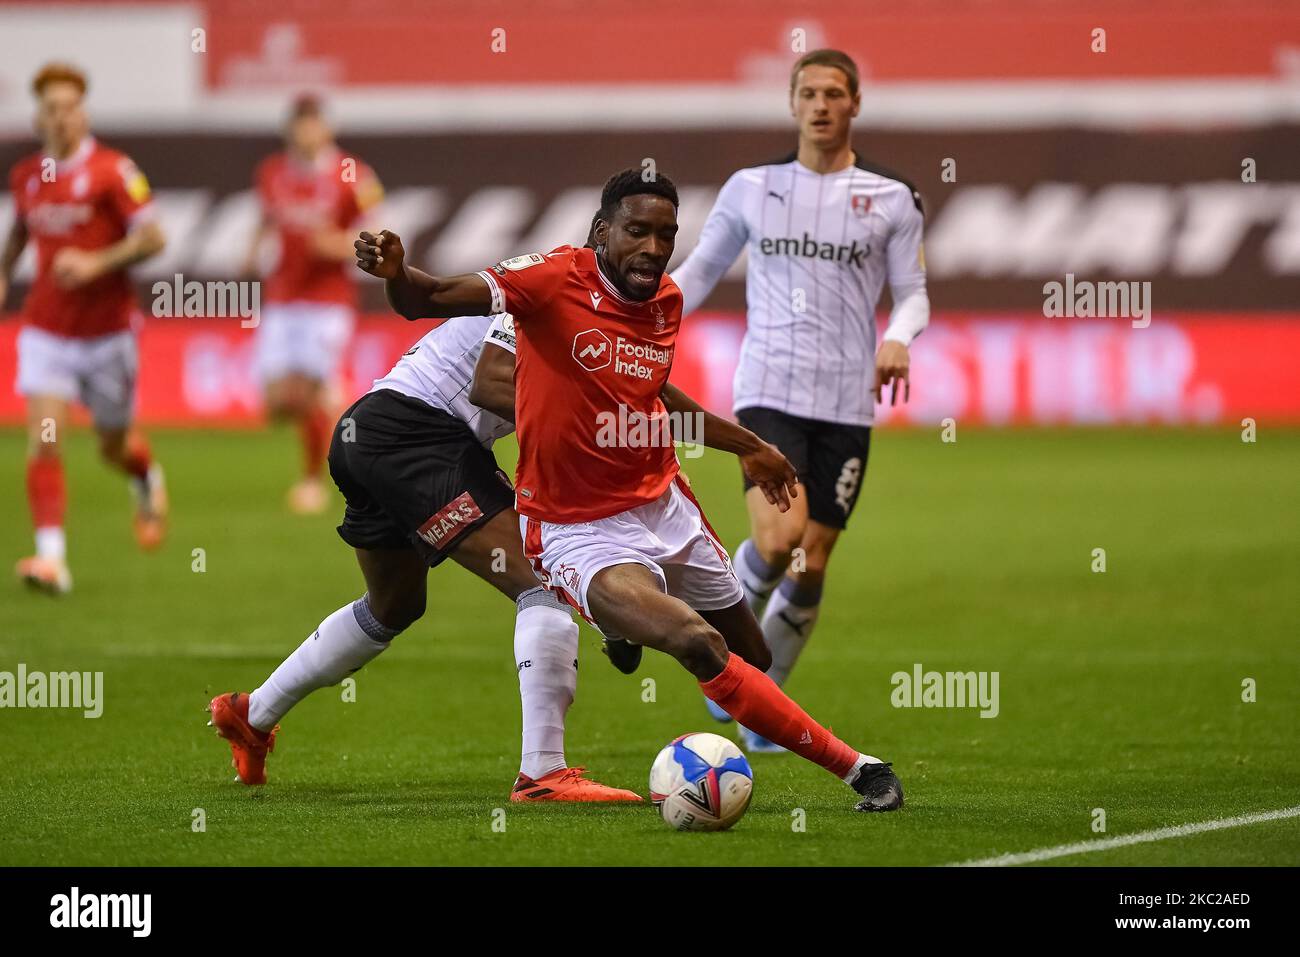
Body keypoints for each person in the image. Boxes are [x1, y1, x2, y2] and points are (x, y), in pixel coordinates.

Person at [355, 167, 905, 812]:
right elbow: (431, 296)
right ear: (602, 233)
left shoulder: (663, 303)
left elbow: (653, 396)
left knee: (752, 658)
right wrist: (397, 273)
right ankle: (861, 769)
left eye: (665, 235)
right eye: (637, 232)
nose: (651, 248)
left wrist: (748, 445)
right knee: (698, 644)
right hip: (575, 527)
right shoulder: (550, 280)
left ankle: (629, 626)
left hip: (665, 506)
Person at [208, 308, 640, 801]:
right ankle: (543, 774)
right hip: (416, 434)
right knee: (542, 579)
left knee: (393, 606)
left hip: (365, 432)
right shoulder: (561, 302)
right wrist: (611, 617)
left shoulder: (578, 309)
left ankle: (253, 713)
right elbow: (496, 393)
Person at [670, 49, 931, 750]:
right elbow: (698, 271)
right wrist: (643, 326)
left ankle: (763, 709)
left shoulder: (891, 199)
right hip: (769, 390)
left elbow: (913, 295)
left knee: (811, 561)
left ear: (855, 104)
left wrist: (899, 337)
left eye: (834, 93)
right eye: (808, 93)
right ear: (791, 105)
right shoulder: (752, 188)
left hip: (847, 402)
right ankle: (716, 647)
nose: (821, 105)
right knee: (778, 538)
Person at [3, 62, 168, 595]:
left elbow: (154, 238)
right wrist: (4, 273)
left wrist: (97, 263)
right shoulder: (26, 175)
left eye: (69, 107)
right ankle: (52, 559)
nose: (60, 117)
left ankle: (144, 476)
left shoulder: (112, 171)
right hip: (47, 331)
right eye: (51, 108)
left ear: (83, 111)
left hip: (107, 334)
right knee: (45, 440)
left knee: (112, 447)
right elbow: (22, 231)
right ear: (40, 116)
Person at [243, 94, 382, 514]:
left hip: (327, 301)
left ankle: (318, 480)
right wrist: (251, 253)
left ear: (326, 128)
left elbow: (378, 238)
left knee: (317, 387)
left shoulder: (354, 175)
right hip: (283, 297)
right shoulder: (271, 173)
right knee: (275, 401)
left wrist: (339, 244)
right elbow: (266, 220)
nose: (306, 132)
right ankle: (362, 440)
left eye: (313, 123)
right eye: (299, 124)